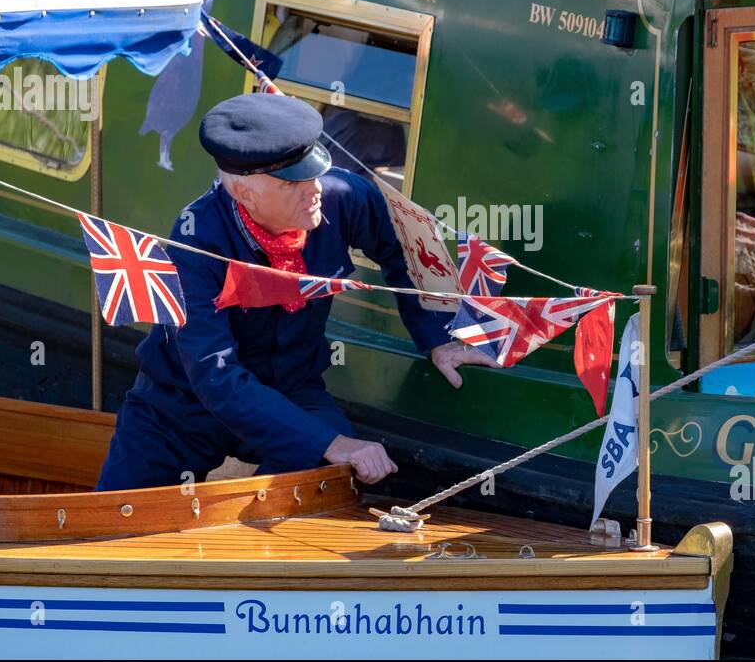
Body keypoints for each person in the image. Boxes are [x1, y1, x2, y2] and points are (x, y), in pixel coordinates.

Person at [97, 92, 493, 491]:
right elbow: (216, 375)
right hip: (181, 405)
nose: (315, 189)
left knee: (325, 484)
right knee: (110, 525)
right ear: (244, 193)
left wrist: (439, 335)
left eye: (315, 172)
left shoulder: (342, 198)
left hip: (292, 391)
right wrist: (331, 442)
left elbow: (404, 246)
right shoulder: (196, 243)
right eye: (295, 182)